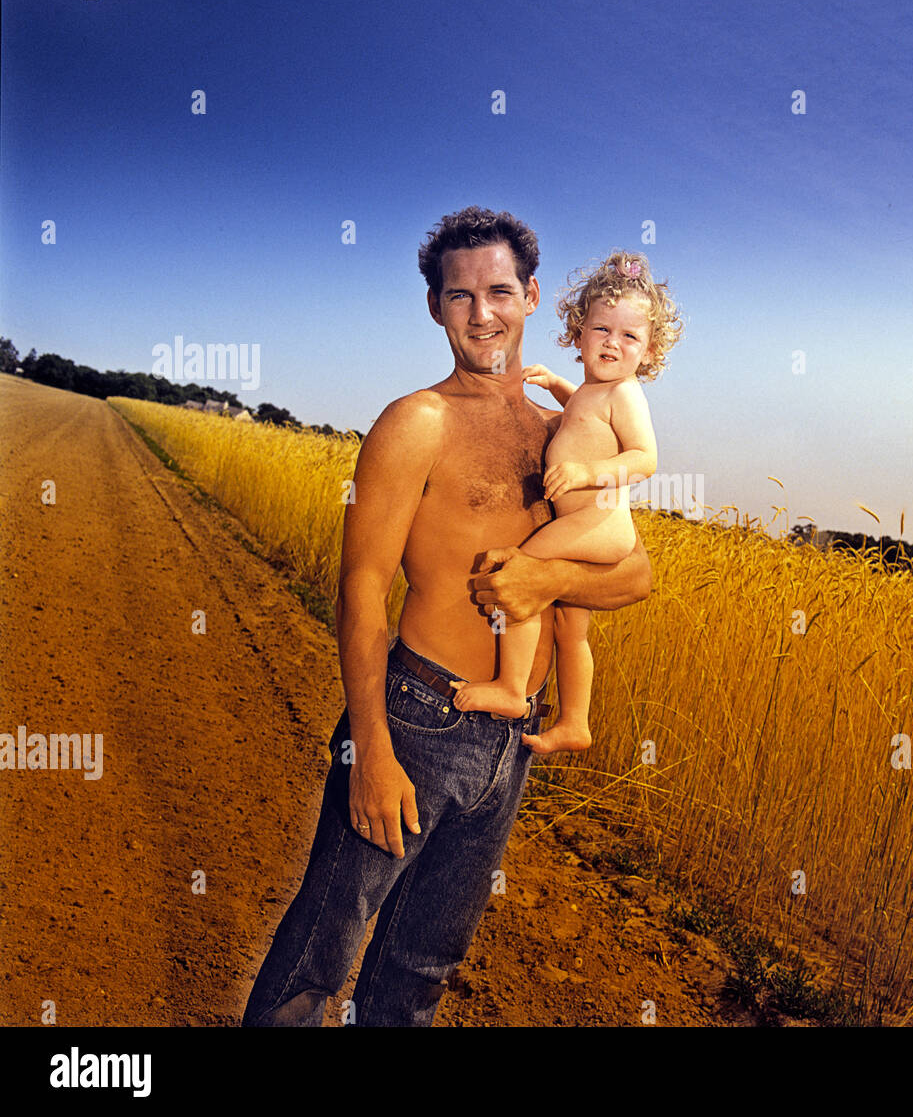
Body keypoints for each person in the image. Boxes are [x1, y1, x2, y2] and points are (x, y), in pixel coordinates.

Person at [241, 206, 653, 1027]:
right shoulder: (415, 422)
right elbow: (361, 588)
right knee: (319, 955)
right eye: (458, 295)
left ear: (533, 296)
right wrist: (371, 753)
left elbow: (633, 574)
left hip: (508, 738)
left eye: (499, 290)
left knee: (420, 971)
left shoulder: (567, 431)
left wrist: (537, 581)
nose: (481, 313)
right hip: (417, 718)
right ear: (435, 306)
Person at [451, 250, 681, 754]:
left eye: (629, 337)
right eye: (601, 329)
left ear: (649, 351)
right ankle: (577, 722)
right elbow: (581, 414)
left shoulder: (626, 394)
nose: (612, 343)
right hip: (590, 525)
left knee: (523, 571)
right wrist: (559, 386)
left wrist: (584, 472)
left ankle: (511, 689)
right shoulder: (591, 393)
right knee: (571, 630)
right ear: (578, 333)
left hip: (598, 523)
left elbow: (645, 458)